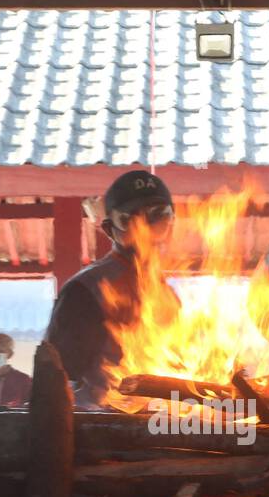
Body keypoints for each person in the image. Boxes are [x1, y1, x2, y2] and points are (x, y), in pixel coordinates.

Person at [44, 170, 180, 407]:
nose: (144, 228)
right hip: (98, 428)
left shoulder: (167, 295)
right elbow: (58, 373)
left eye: (158, 215)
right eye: (129, 219)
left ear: (172, 223)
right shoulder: (86, 291)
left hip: (154, 426)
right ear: (109, 229)